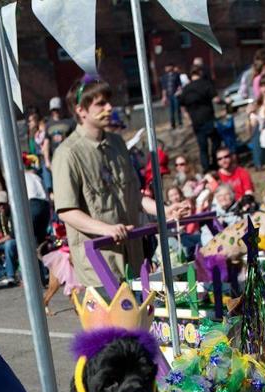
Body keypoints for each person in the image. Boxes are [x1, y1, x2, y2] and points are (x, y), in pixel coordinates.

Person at [51, 77, 178, 288]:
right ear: (81, 110)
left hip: (133, 257)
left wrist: (166, 211)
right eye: (100, 104)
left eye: (109, 102)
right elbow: (66, 211)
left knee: (142, 321)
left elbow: (135, 197)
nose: (109, 108)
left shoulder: (118, 144)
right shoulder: (68, 153)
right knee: (114, 322)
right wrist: (105, 229)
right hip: (100, 264)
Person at [178, 66, 221, 172]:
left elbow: (181, 104)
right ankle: (215, 163)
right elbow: (216, 99)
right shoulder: (206, 84)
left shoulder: (186, 89)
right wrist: (225, 102)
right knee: (216, 141)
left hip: (196, 121)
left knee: (202, 146)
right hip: (208, 118)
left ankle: (205, 167)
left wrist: (187, 115)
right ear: (200, 73)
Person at [162, 63, 184, 129]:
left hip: (175, 95)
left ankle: (180, 123)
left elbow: (179, 85)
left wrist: (179, 92)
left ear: (171, 67)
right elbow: (164, 88)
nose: (166, 69)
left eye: (167, 67)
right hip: (169, 95)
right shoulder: (164, 77)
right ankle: (172, 124)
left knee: (177, 109)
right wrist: (164, 97)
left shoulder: (176, 75)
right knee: (171, 110)